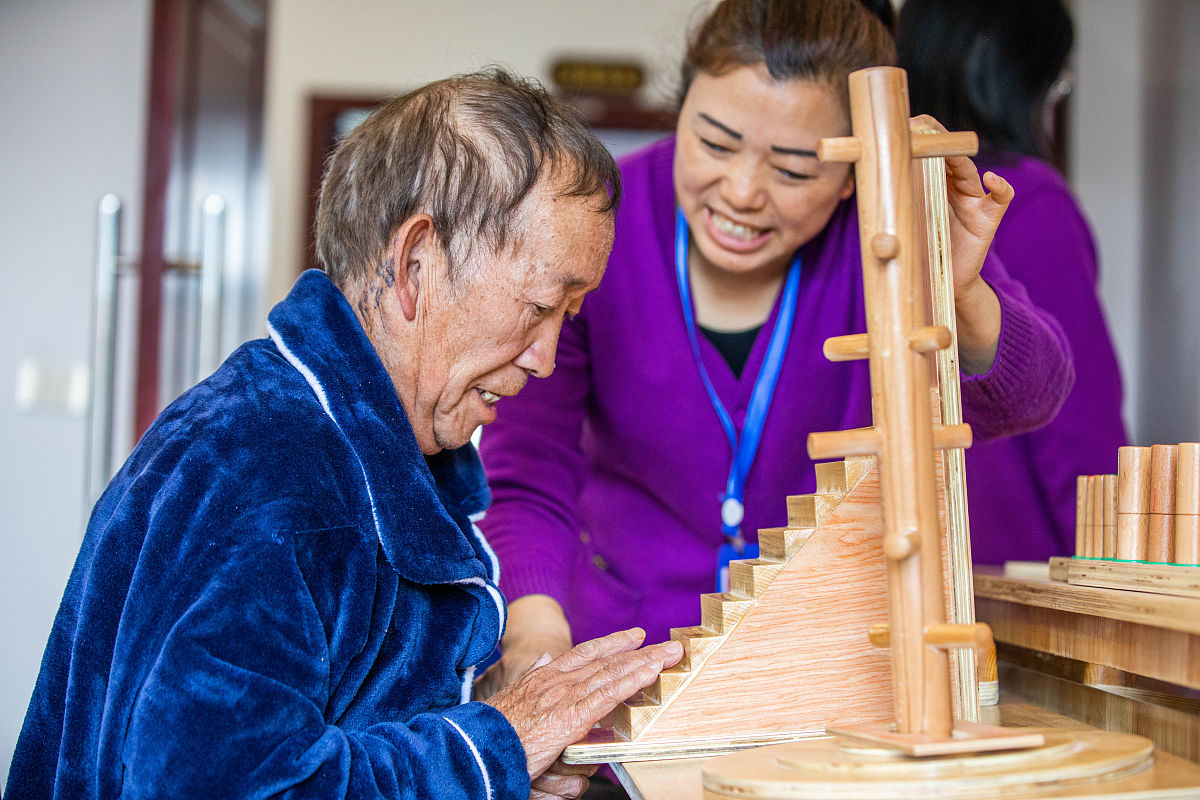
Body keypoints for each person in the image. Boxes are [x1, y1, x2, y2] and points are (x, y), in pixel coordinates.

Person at [5, 69, 684, 800]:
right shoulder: (266, 474)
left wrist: (498, 722)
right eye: (540, 306)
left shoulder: (339, 441)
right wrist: (493, 746)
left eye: (567, 317)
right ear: (416, 265)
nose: (545, 358)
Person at [476, 0, 1074, 701]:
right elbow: (528, 469)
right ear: (682, 108)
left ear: (851, 173)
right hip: (628, 664)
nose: (741, 194)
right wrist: (536, 638)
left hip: (821, 675)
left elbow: (1034, 394)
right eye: (715, 144)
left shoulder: (885, 233)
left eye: (792, 170)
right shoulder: (600, 221)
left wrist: (957, 284)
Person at [899, 0, 1129, 564]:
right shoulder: (1032, 201)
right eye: (1055, 81)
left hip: (925, 559)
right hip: (1025, 573)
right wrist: (1114, 566)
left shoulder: (889, 199)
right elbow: (1081, 424)